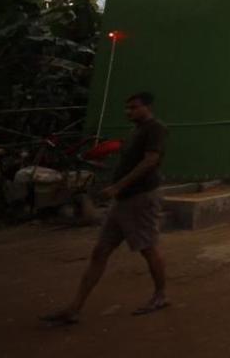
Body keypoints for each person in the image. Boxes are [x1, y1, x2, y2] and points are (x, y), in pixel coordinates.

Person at [42, 92, 168, 325]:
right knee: (100, 252)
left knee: (148, 248)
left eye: (133, 107)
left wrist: (118, 186)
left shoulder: (155, 128)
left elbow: (150, 161)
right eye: (127, 108)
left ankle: (160, 295)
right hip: (121, 201)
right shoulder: (135, 132)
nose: (128, 111)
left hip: (139, 199)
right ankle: (75, 308)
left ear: (147, 107)